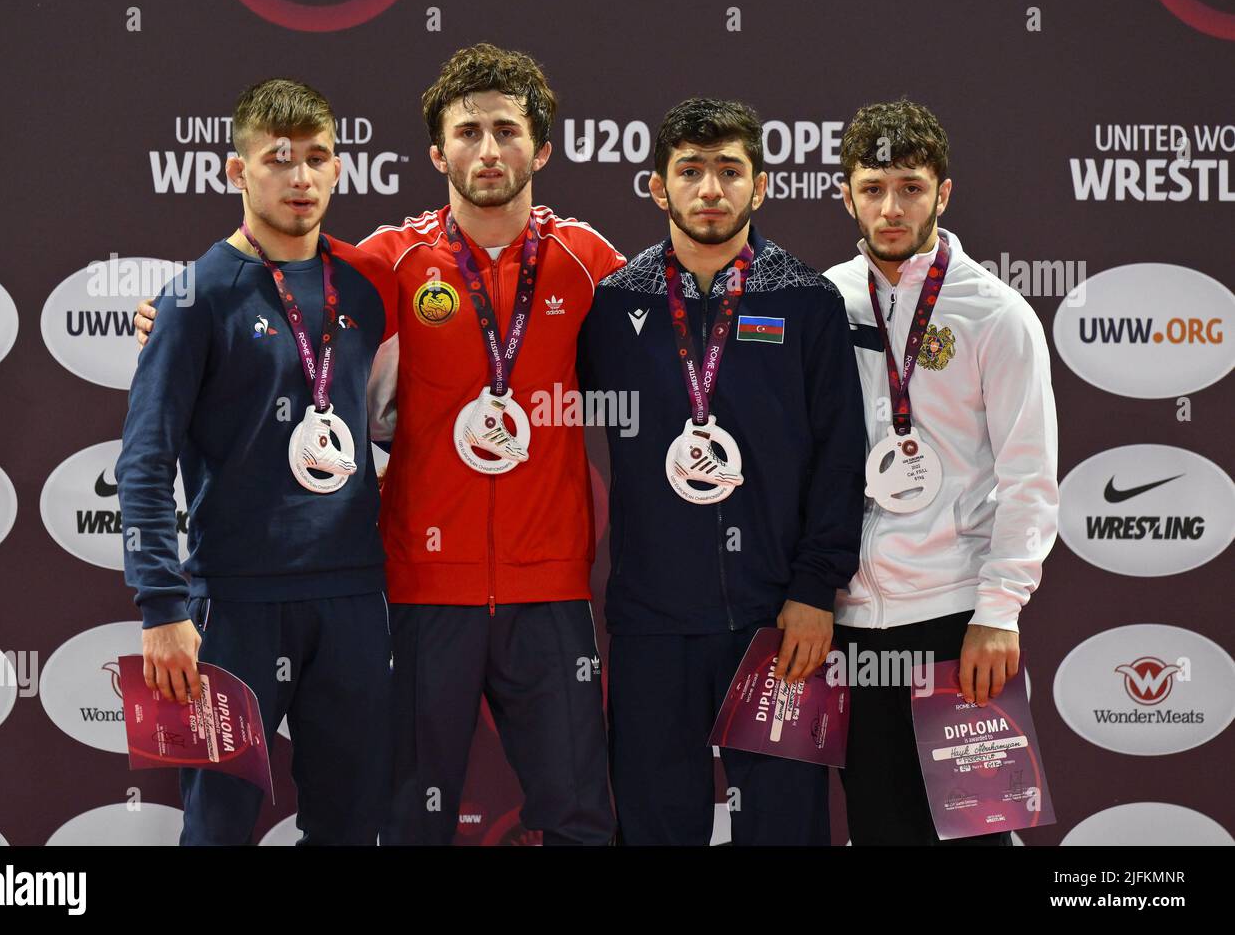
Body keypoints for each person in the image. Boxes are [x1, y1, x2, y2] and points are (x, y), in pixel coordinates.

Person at [140, 45, 625, 844]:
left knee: (577, 817)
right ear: (438, 153)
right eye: (467, 133)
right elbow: (276, 277)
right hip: (419, 592)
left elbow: (682, 337)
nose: (489, 150)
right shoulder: (385, 263)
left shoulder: (590, 261)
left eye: (508, 131)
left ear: (542, 149)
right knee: (407, 822)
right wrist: (173, 314)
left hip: (549, 593)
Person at [580, 98, 866, 845]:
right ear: (658, 188)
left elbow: (841, 457)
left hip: (777, 623)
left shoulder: (805, 300)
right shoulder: (614, 304)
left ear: (761, 186)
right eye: (691, 171)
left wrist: (813, 590)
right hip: (650, 626)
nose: (710, 189)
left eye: (729, 171)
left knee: (784, 830)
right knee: (653, 826)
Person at [119, 78, 396, 845]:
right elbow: (143, 462)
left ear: (340, 168)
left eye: (317, 158)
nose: (301, 179)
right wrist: (162, 606)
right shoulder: (194, 298)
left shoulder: (369, 292)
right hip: (231, 607)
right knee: (218, 829)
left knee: (349, 826)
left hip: (350, 598)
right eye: (279, 160)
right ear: (237, 171)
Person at [823, 99, 1059, 845]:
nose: (891, 208)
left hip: (959, 621)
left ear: (943, 192)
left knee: (973, 836)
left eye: (911, 187)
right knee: (880, 831)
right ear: (846, 194)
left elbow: (1030, 476)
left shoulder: (996, 315)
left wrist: (999, 611)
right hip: (853, 624)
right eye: (872, 188)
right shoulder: (823, 301)